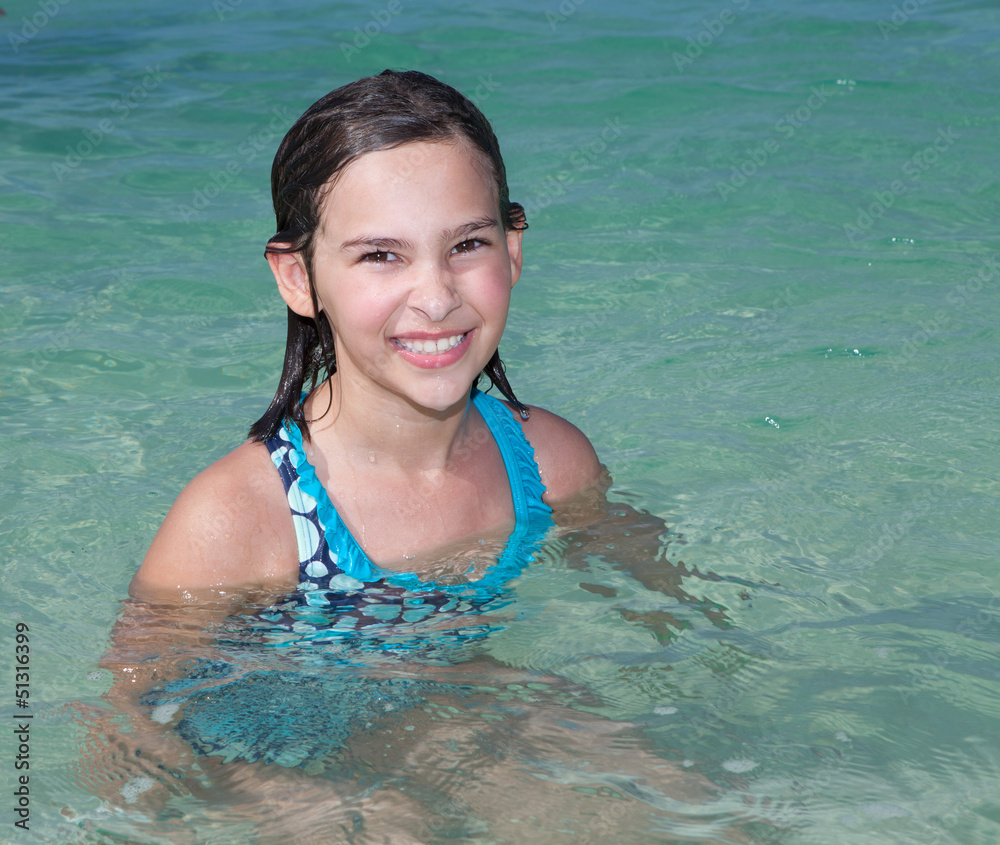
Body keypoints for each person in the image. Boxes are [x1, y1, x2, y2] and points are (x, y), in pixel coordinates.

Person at [133, 68, 603, 602]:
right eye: (380, 255)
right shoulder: (237, 523)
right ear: (298, 278)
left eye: (468, 245)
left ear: (512, 251)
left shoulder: (551, 466)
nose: (437, 297)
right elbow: (140, 687)